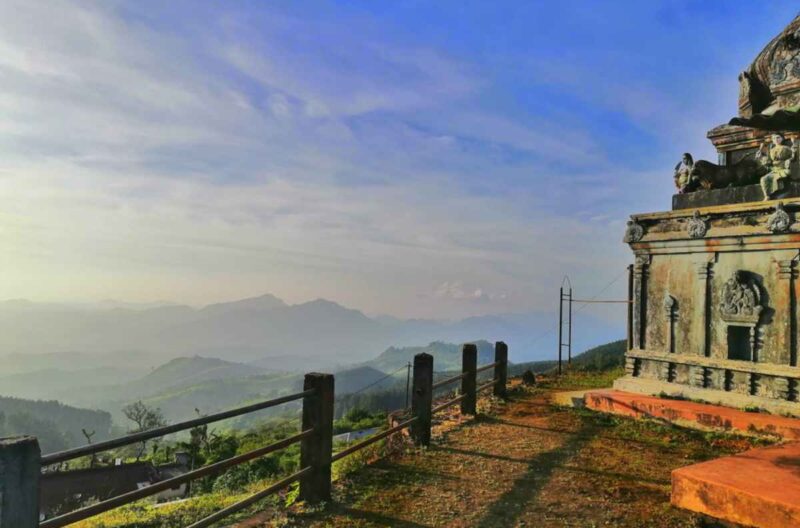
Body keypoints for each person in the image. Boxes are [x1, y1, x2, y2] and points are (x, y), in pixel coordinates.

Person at [757, 134, 796, 200]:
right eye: (774, 138)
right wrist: (761, 157)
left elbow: (793, 156)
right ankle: (767, 196)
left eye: (778, 138)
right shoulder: (771, 150)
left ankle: (776, 194)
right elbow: (768, 162)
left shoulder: (786, 148)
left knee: (777, 179)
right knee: (763, 179)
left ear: (782, 139)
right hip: (775, 170)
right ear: (772, 140)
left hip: (783, 169)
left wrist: (794, 144)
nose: (776, 140)